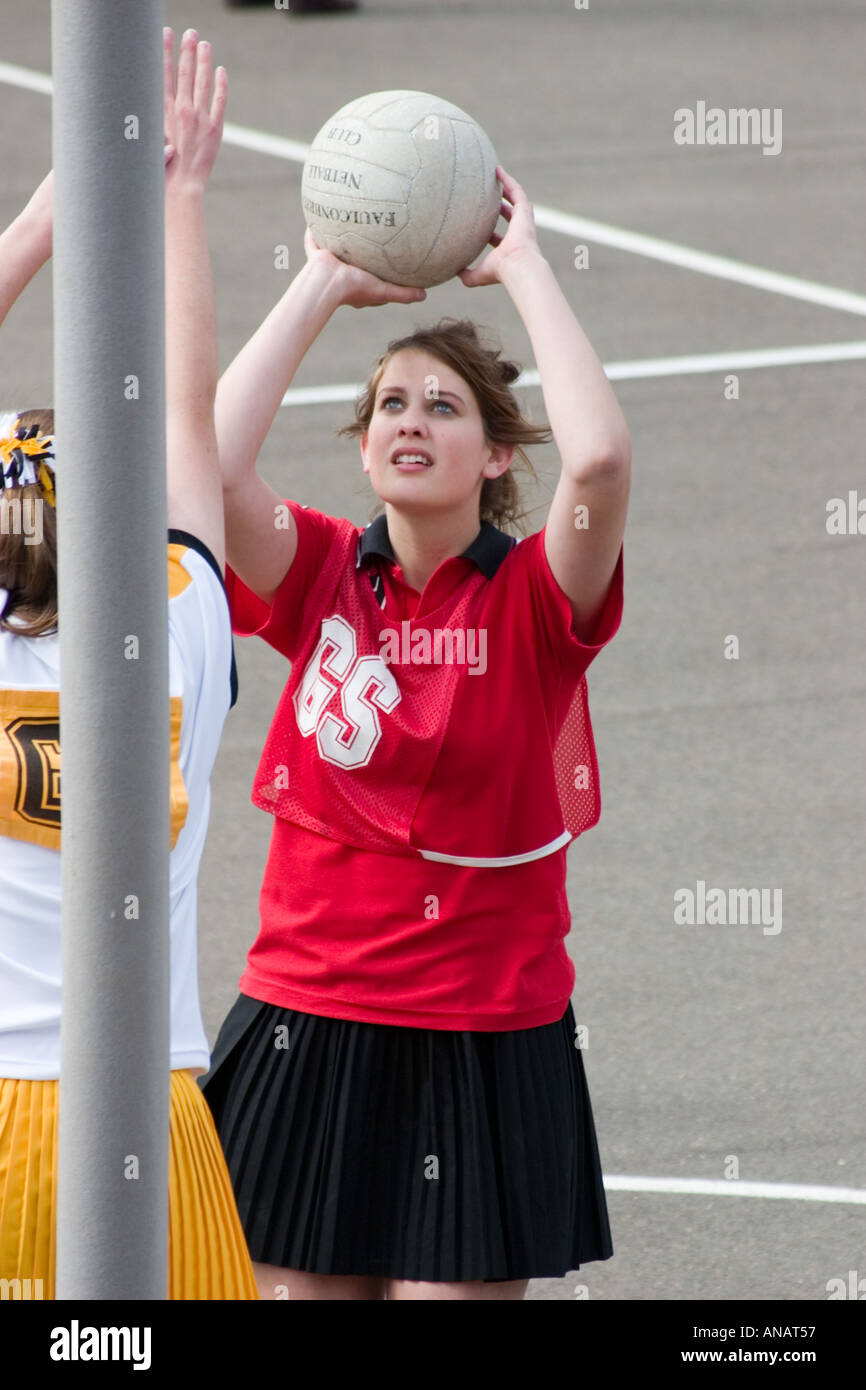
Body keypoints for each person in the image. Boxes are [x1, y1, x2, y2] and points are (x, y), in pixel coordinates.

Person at [201, 163, 630, 1300]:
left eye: (443, 408)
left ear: (494, 457)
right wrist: (322, 283)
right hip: (310, 1014)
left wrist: (524, 265)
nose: (410, 419)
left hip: (482, 1029)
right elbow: (208, 465)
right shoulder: (323, 573)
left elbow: (594, 460)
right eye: (391, 402)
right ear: (360, 446)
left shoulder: (536, 599)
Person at [0, 28, 258, 1300]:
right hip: (142, 1108)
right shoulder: (182, 627)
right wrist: (180, 198)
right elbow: (186, 413)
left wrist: (44, 226)